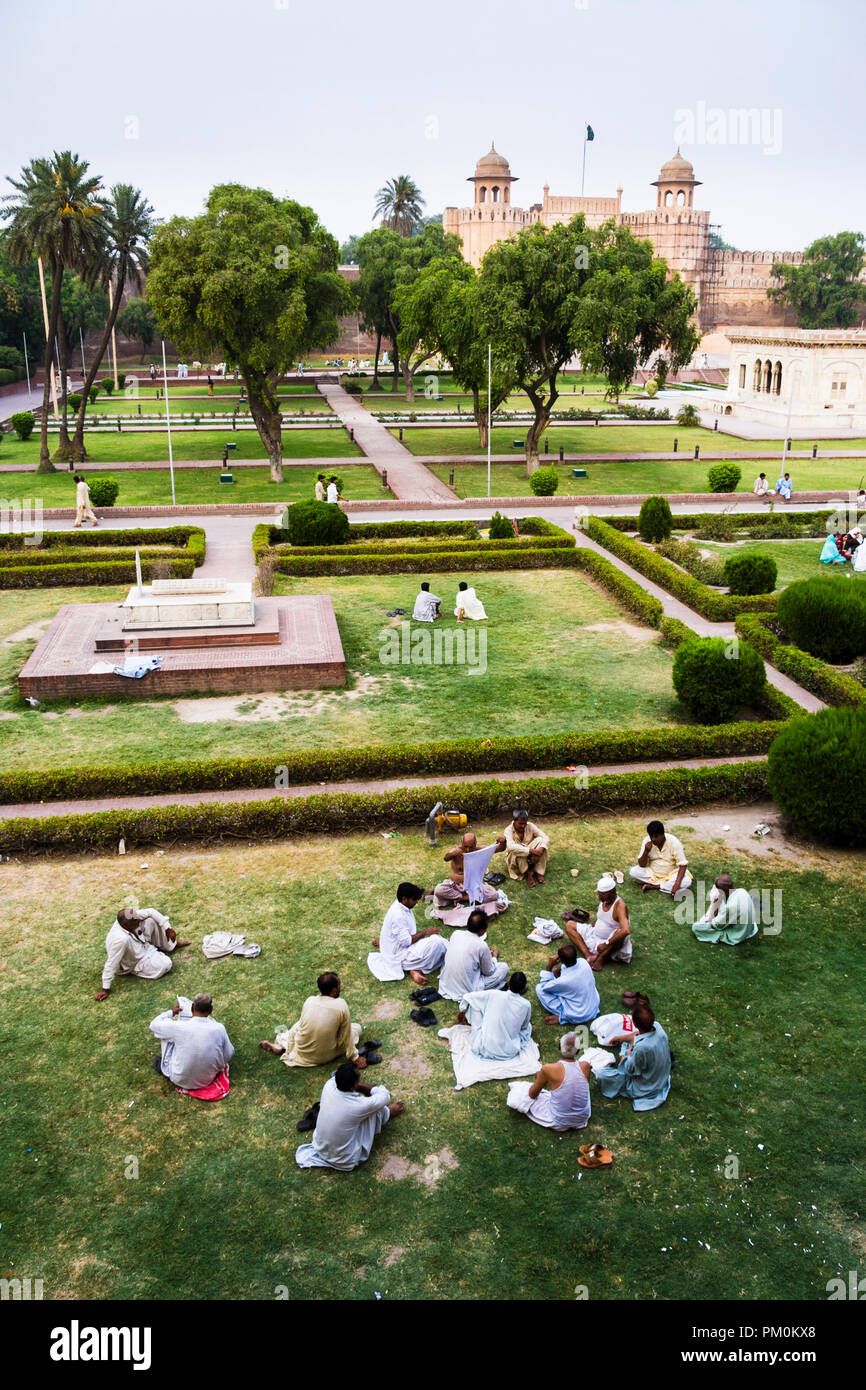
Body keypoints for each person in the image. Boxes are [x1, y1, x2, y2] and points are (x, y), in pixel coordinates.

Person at [295, 1059, 403, 1171]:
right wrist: (360, 1086)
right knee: (375, 1110)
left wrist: (355, 1085)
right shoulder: (357, 1106)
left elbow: (334, 1075)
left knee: (367, 1109)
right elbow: (385, 1096)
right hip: (344, 1159)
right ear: (352, 1087)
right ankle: (389, 1113)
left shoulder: (328, 1085)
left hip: (321, 1148)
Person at [259, 971, 380, 1067]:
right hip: (322, 1056)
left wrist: (290, 1050)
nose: (340, 987)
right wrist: (355, 1057)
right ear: (333, 990)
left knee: (298, 1025)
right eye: (339, 985)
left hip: (300, 1051)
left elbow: (301, 1028)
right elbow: (346, 1036)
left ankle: (281, 1045)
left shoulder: (310, 1000)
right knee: (356, 1028)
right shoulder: (341, 1005)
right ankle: (283, 1047)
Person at [95, 906, 190, 1000]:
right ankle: (141, 966)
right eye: (135, 921)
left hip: (143, 946)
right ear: (126, 925)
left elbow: (151, 911)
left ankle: (171, 945)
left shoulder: (131, 917)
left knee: (150, 920)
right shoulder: (120, 940)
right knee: (166, 964)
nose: (138, 920)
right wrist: (105, 989)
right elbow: (111, 963)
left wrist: (168, 928)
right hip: (134, 962)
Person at [506, 1032, 592, 1131]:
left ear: (559, 1047)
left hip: (559, 1120)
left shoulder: (548, 1069)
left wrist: (541, 1078)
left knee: (520, 1090)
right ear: (578, 1051)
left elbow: (532, 1094)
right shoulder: (585, 1066)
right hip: (582, 1118)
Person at [596, 1002, 672, 1111]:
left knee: (602, 1074)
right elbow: (637, 1034)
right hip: (661, 1078)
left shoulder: (642, 1048)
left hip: (646, 1087)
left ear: (635, 1024)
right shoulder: (658, 1027)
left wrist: (627, 1052)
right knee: (627, 1043)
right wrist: (622, 1038)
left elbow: (628, 1070)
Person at [149, 993, 234, 1091]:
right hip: (207, 1079)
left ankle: (164, 1066)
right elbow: (229, 1053)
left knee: (165, 1036)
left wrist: (171, 1013)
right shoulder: (219, 1028)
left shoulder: (179, 1027)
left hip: (178, 1079)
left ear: (192, 1008)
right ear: (211, 1010)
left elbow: (154, 1025)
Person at [371, 882, 446, 984]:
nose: (416, 903)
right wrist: (425, 932)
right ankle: (416, 970)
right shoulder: (398, 915)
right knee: (437, 945)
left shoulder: (400, 903)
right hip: (400, 955)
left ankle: (417, 968)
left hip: (399, 947)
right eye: (414, 900)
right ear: (404, 899)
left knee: (437, 941)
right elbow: (407, 941)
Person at [438, 907, 508, 1001]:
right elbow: (489, 972)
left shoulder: (456, 933)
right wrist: (494, 957)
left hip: (446, 984)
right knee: (503, 968)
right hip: (466, 990)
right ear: (482, 931)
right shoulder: (482, 945)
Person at [457, 972, 531, 1060]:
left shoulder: (494, 994)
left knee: (475, 1004)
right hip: (509, 1051)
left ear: (508, 983)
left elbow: (468, 997)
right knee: (529, 1027)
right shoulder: (526, 1005)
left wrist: (463, 1010)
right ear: (523, 988)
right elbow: (524, 1026)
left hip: (485, 1047)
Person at [566, 874, 632, 970]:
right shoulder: (605, 900)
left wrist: (607, 943)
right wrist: (592, 927)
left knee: (620, 933)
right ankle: (588, 955)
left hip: (608, 942)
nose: (599, 897)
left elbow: (626, 930)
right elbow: (601, 917)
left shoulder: (620, 906)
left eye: (602, 894)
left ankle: (601, 959)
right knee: (569, 925)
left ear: (613, 892)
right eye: (599, 894)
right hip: (595, 934)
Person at [433, 831, 504, 914]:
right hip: (455, 886)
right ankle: (468, 897)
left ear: (475, 844)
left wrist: (503, 841)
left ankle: (462, 898)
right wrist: (452, 853)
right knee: (439, 890)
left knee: (493, 895)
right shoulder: (456, 850)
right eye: (465, 846)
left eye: (471, 847)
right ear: (462, 843)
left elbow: (500, 848)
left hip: (474, 886)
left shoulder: (480, 850)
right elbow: (446, 858)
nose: (467, 850)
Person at [536, 943, 600, 1026]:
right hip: (593, 1007)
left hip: (579, 1014)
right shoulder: (583, 962)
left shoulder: (564, 981)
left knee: (539, 988)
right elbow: (564, 970)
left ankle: (563, 1017)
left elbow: (544, 987)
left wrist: (549, 966)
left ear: (561, 960)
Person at [629, 820, 692, 898]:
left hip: (671, 874)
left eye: (656, 836)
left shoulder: (674, 842)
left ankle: (654, 886)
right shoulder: (647, 841)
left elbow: (683, 865)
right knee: (633, 872)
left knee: (687, 882)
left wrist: (676, 884)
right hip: (653, 872)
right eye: (651, 836)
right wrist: (646, 851)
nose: (653, 839)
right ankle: (665, 886)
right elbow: (642, 865)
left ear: (662, 834)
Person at [692, 874, 759, 946]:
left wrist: (714, 904)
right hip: (750, 928)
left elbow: (717, 926)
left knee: (696, 927)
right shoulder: (742, 891)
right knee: (721, 904)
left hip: (738, 934)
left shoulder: (730, 907)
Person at [495, 810, 549, 886]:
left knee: (541, 841)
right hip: (515, 857)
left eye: (525, 823)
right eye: (520, 823)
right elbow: (510, 847)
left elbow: (545, 837)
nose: (523, 826)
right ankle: (527, 874)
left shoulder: (530, 826)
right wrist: (531, 851)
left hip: (529, 855)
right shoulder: (508, 830)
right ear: (514, 821)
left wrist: (541, 849)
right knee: (516, 849)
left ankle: (538, 872)